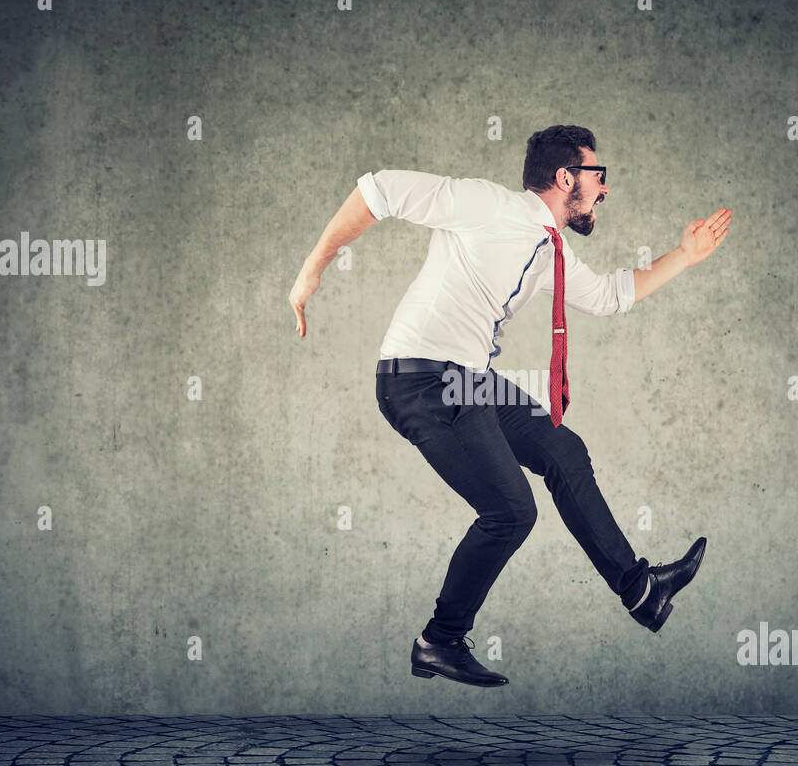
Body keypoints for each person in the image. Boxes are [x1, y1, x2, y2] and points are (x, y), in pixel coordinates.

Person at [289, 125, 732, 687]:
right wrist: (312, 269)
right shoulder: (486, 204)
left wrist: (685, 256)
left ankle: (641, 590)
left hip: (467, 380)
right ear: (565, 178)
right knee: (512, 511)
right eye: (599, 176)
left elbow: (609, 296)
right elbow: (378, 191)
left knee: (564, 452)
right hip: (421, 377)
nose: (605, 189)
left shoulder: (551, 248)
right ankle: (439, 640)